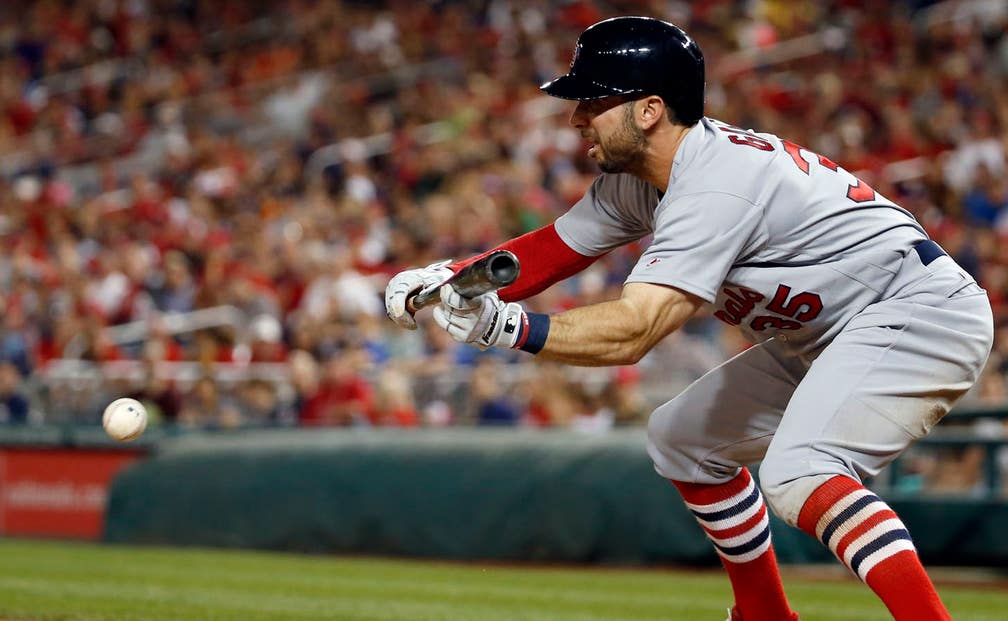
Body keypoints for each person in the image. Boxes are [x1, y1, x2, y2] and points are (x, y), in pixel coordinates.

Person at [384, 16, 994, 621]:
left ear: (649, 110)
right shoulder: (645, 178)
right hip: (830, 330)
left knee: (801, 471)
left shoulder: (715, 185)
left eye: (593, 100)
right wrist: (449, 275)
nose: (575, 118)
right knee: (682, 440)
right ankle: (764, 615)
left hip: (917, 311)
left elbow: (634, 331)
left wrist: (510, 330)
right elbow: (553, 248)